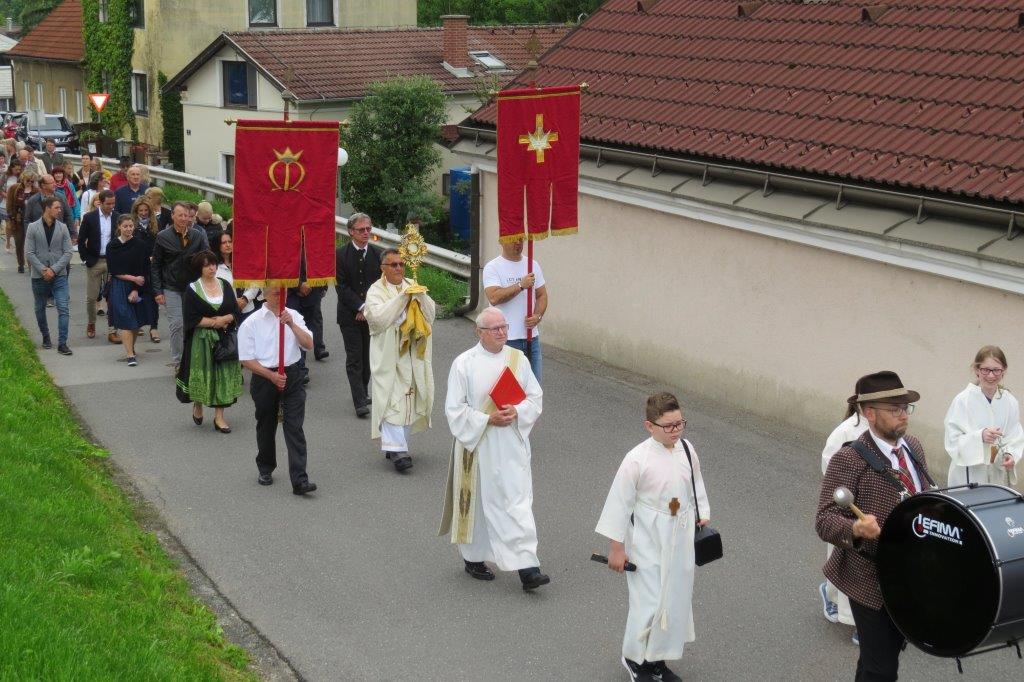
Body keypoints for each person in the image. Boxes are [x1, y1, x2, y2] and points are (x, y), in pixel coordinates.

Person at [816, 371, 931, 682]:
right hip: (868, 577)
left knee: (880, 657)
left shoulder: (914, 448)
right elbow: (825, 520)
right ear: (869, 413)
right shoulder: (849, 459)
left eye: (905, 408)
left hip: (905, 574)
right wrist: (855, 529)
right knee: (882, 670)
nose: (903, 415)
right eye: (894, 410)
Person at [596, 391, 710, 682]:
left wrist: (701, 514)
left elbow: (696, 483)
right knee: (648, 600)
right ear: (650, 426)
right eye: (668, 426)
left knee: (674, 599)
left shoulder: (687, 449)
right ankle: (636, 660)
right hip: (648, 536)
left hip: (681, 534)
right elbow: (618, 503)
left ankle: (658, 660)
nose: (676, 431)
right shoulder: (636, 459)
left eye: (680, 423)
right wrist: (616, 548)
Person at [439, 306, 548, 590]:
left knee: (517, 502)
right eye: (495, 328)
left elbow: (534, 398)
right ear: (479, 332)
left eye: (504, 327)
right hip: (478, 445)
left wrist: (518, 411)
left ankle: (528, 567)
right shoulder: (464, 363)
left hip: (511, 444)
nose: (502, 332)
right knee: (479, 504)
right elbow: (454, 409)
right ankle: (474, 558)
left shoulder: (518, 359)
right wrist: (488, 418)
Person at [238, 286, 318, 495]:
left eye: (282, 292)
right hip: (265, 377)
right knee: (266, 424)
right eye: (275, 292)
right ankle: (265, 466)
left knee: (294, 427)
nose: (279, 296)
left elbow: (309, 344)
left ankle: (300, 479)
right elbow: (246, 359)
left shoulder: (294, 316)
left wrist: (291, 324)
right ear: (264, 294)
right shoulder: (252, 323)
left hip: (292, 374)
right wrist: (271, 376)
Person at [364, 249, 436, 473]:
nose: (398, 268)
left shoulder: (411, 284)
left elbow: (430, 315)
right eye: (393, 265)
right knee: (391, 397)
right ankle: (397, 450)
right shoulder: (375, 291)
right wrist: (403, 298)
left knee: (408, 399)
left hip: (411, 354)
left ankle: (398, 445)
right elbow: (377, 319)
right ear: (383, 268)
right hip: (388, 355)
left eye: (401, 264)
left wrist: (419, 295)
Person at [818, 387, 869, 644]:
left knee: (868, 564)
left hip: (876, 509)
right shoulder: (845, 432)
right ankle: (832, 594)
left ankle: (866, 620)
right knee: (842, 559)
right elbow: (829, 465)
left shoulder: (890, 432)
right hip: (849, 508)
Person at [174, 250, 243, 433]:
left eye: (213, 264)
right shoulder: (193, 289)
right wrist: (214, 322)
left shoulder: (225, 285)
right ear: (200, 268)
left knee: (222, 375)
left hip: (224, 338)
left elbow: (235, 311)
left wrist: (225, 319)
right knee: (204, 375)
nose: (212, 268)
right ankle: (198, 403)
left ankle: (219, 417)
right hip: (202, 340)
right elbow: (190, 318)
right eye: (207, 265)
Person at [944, 345, 1024, 486]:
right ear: (976, 369)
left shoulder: (1010, 401)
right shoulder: (963, 401)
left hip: (996, 476)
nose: (991, 375)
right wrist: (979, 436)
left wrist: (1010, 454)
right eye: (986, 370)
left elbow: (1015, 436)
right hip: (967, 478)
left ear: (1003, 370)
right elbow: (952, 441)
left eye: (996, 370)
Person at [151, 202, 210, 368]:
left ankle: (194, 358)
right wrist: (158, 291)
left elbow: (207, 257)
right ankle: (179, 362)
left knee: (194, 323)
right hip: (171, 287)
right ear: (173, 216)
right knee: (177, 324)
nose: (184, 218)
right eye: (180, 215)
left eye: (186, 215)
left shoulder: (197, 236)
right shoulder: (163, 236)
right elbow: (155, 265)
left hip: (194, 287)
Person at [335, 213, 381, 417]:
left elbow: (381, 286)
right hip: (349, 315)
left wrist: (369, 309)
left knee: (368, 356)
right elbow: (341, 287)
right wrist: (359, 307)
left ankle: (362, 388)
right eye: (361, 230)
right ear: (351, 232)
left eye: (368, 229)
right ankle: (359, 400)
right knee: (355, 357)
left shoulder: (377, 254)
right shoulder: (340, 255)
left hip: (372, 315)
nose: (366, 233)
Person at [482, 238, 548, 381]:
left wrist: (538, 316)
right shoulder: (493, 267)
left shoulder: (533, 265)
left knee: (534, 390)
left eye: (521, 239)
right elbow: (494, 297)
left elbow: (542, 295)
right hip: (505, 341)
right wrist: (520, 286)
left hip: (531, 339)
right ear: (501, 241)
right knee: (507, 391)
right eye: (513, 239)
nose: (518, 243)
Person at [106, 215, 157, 366]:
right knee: (127, 320)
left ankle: (131, 348)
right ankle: (130, 355)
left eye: (130, 226)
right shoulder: (112, 246)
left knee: (136, 321)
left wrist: (136, 287)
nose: (128, 229)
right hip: (120, 285)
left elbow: (144, 268)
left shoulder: (140, 245)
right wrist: (132, 279)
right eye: (125, 226)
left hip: (139, 285)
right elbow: (114, 270)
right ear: (119, 227)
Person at [24, 197, 73, 355]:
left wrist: (54, 269)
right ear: (47, 208)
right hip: (39, 276)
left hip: (59, 275)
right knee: (40, 308)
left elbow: (68, 252)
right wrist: (43, 269)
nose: (60, 210)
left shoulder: (63, 227)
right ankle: (46, 337)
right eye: (57, 208)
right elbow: (29, 253)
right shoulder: (33, 227)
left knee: (63, 308)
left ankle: (62, 343)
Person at [78, 189, 118, 341]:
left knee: (112, 296)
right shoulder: (90, 218)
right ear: (100, 202)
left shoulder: (117, 216)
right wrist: (85, 258)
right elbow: (81, 240)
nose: (111, 206)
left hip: (111, 261)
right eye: (108, 204)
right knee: (92, 296)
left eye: (113, 203)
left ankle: (112, 329)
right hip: (94, 260)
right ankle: (91, 323)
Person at [131, 197, 161, 343]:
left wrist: (154, 257)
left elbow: (160, 245)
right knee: (138, 295)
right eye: (140, 211)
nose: (143, 213)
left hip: (152, 266)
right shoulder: (132, 226)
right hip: (136, 266)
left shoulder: (155, 225)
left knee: (154, 296)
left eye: (145, 211)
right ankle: (139, 323)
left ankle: (154, 327)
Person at [212, 231, 259, 320]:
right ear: (217, 245)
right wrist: (233, 301)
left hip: (248, 308)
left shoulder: (244, 261)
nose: (228, 245)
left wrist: (245, 298)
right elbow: (215, 289)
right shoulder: (214, 266)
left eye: (230, 242)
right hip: (227, 312)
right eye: (224, 243)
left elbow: (255, 282)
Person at [24, 173, 75, 241]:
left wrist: (73, 234)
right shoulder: (33, 201)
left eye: (54, 182)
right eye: (51, 183)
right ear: (43, 185)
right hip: (39, 239)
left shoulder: (61, 198)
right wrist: (30, 237)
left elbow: (68, 216)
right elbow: (27, 220)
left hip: (58, 237)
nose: (55, 184)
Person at [6, 169, 37, 273]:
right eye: (28, 180)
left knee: (31, 244)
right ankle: (21, 263)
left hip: (32, 221)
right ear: (23, 179)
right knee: (19, 243)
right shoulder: (15, 188)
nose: (30, 183)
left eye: (32, 181)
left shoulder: (36, 191)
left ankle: (31, 266)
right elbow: (9, 204)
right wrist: (11, 218)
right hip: (18, 221)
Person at [1, 160, 21, 253]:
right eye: (16, 169)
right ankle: (8, 242)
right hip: (5, 203)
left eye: (19, 169)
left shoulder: (21, 177)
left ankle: (17, 243)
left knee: (15, 225)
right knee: (8, 224)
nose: (18, 171)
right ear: (11, 168)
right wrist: (5, 195)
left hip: (16, 204)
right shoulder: (5, 175)